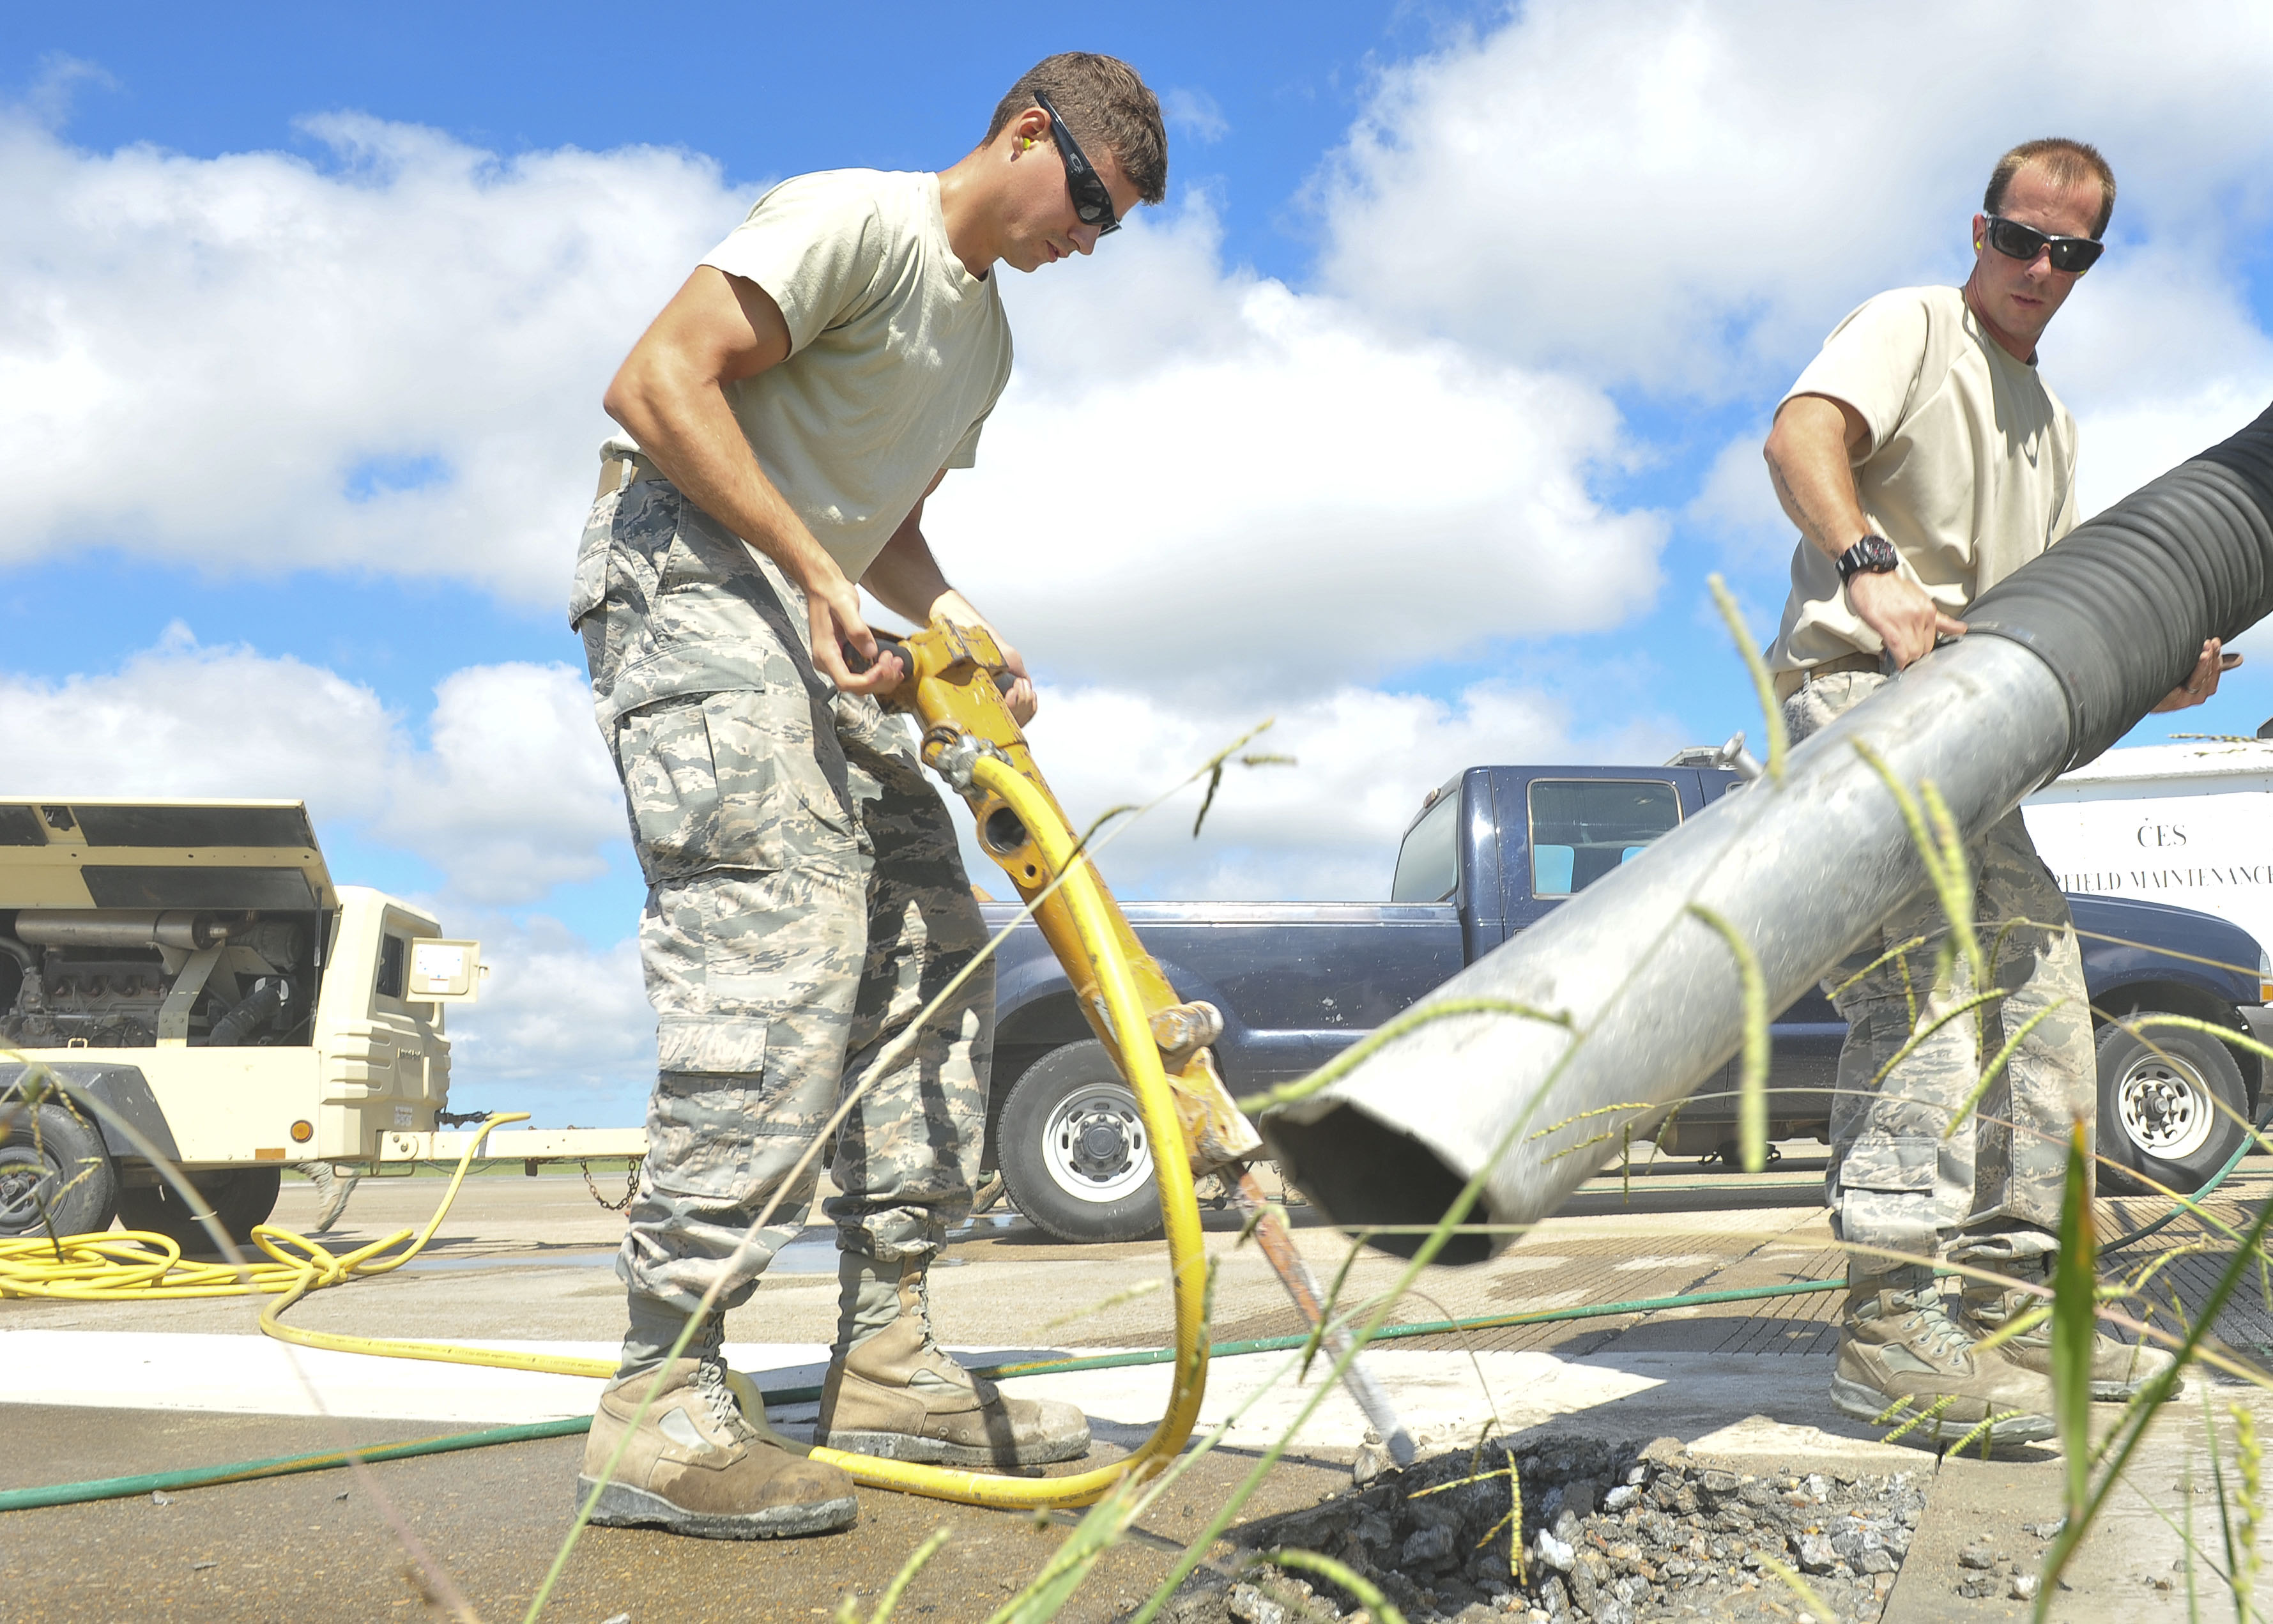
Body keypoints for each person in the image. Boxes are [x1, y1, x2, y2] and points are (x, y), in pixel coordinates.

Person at [565, 54, 1167, 1538]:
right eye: (1087, 202)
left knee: (926, 958)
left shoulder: (990, 343)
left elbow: (887, 514)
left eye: (1111, 231)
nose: (1085, 242)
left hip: (817, 606)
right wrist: (818, 573)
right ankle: (661, 1390)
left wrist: (958, 618)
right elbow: (657, 382)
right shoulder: (855, 221)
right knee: (784, 944)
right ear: (1027, 136)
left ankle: (888, 1353)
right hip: (693, 576)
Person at [1763, 138, 2224, 1442]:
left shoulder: (2057, 424)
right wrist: (1866, 562)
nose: (2039, 267)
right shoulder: (1914, 325)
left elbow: (2052, 614)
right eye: (2020, 238)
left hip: (1981, 737)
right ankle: (1890, 1327)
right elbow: (1801, 433)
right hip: (1865, 708)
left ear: (2090, 264)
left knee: (2044, 1006)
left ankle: (2006, 1306)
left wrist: (2158, 676)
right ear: (1981, 229)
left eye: (2069, 251)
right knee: (1929, 987)